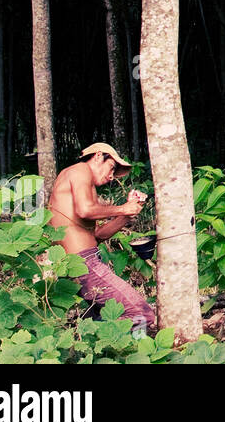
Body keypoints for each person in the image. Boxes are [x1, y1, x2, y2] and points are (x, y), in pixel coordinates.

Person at [47, 143, 156, 334]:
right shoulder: (80, 170)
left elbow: (98, 235)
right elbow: (85, 210)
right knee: (141, 314)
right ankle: (140, 353)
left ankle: (104, 347)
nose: (111, 176)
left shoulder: (83, 184)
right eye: (112, 167)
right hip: (84, 262)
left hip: (81, 262)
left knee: (100, 320)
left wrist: (127, 214)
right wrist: (123, 208)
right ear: (98, 156)